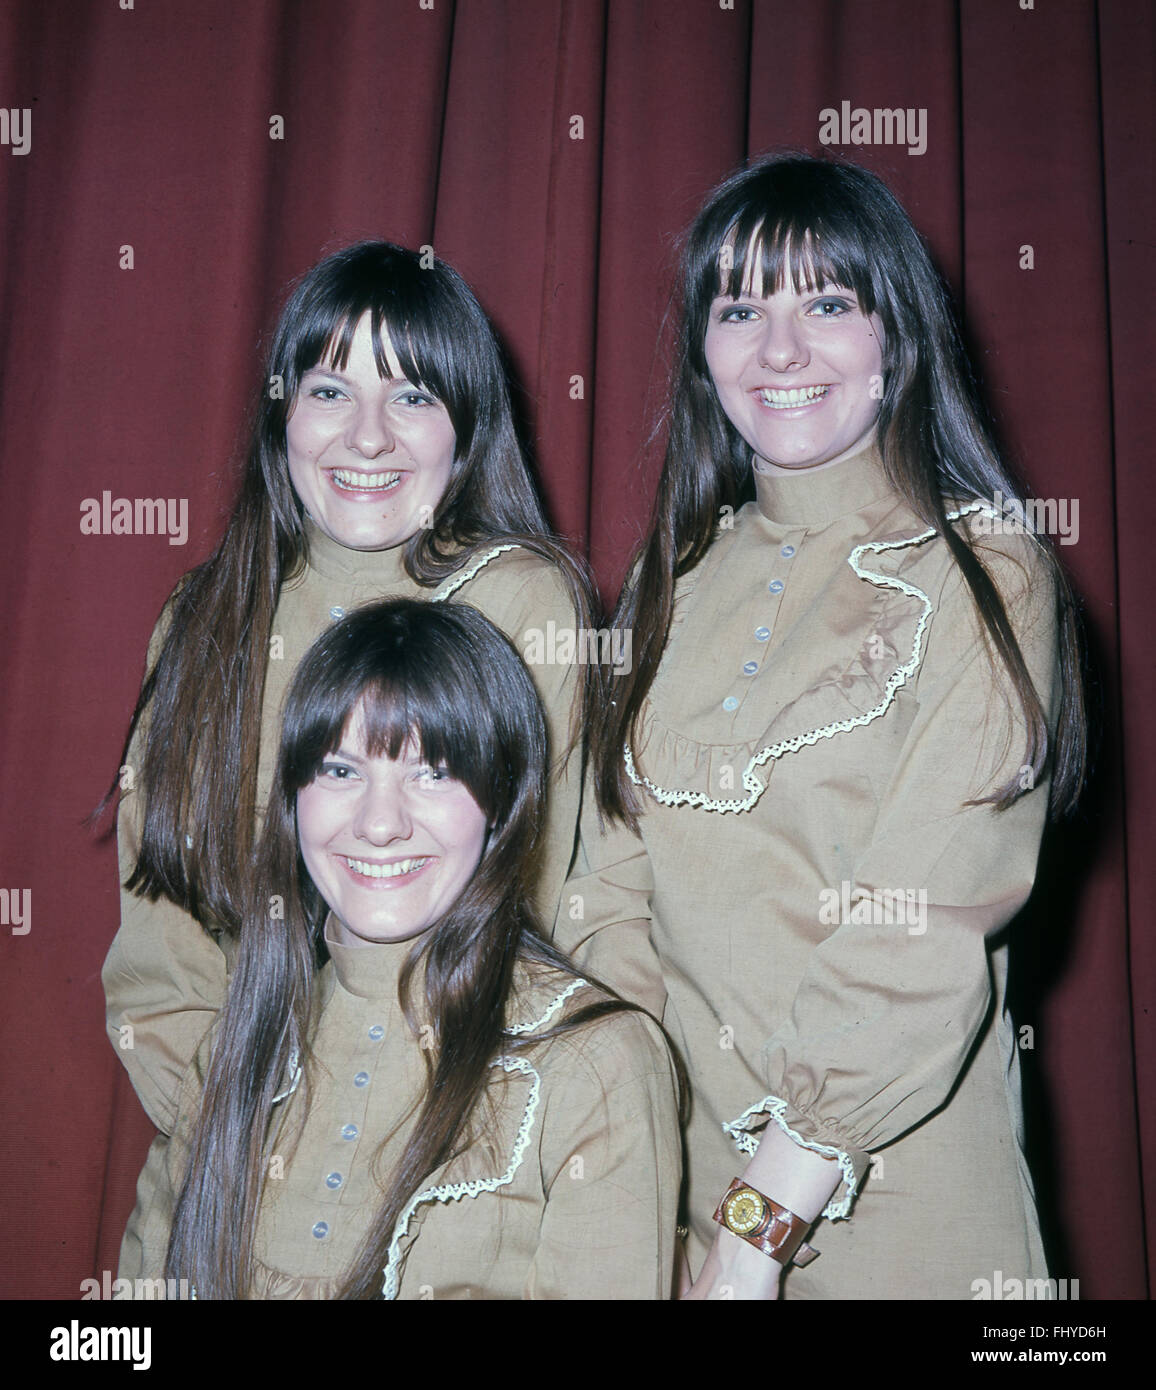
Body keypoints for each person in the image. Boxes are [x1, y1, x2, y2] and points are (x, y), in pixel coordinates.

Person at [557, 154, 1087, 1300]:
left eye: (827, 304)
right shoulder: (669, 582)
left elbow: (924, 923)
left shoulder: (985, 569)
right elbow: (606, 905)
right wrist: (631, 1178)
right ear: (703, 348)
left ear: (894, 338)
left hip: (900, 1191)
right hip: (684, 1192)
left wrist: (751, 1236)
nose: (779, 350)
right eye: (739, 308)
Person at [103, 242, 591, 1281]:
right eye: (329, 387)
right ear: (282, 415)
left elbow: (556, 914)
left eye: (411, 393)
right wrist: (233, 1127)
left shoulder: (519, 604)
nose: (367, 434)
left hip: (447, 1171)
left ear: (465, 427)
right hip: (223, 1169)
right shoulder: (206, 618)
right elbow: (162, 944)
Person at [119, 600, 681, 1298]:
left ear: (504, 804)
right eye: (341, 771)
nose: (380, 824)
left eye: (433, 772)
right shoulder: (237, 1043)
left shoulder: (599, 1065)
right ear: (293, 799)